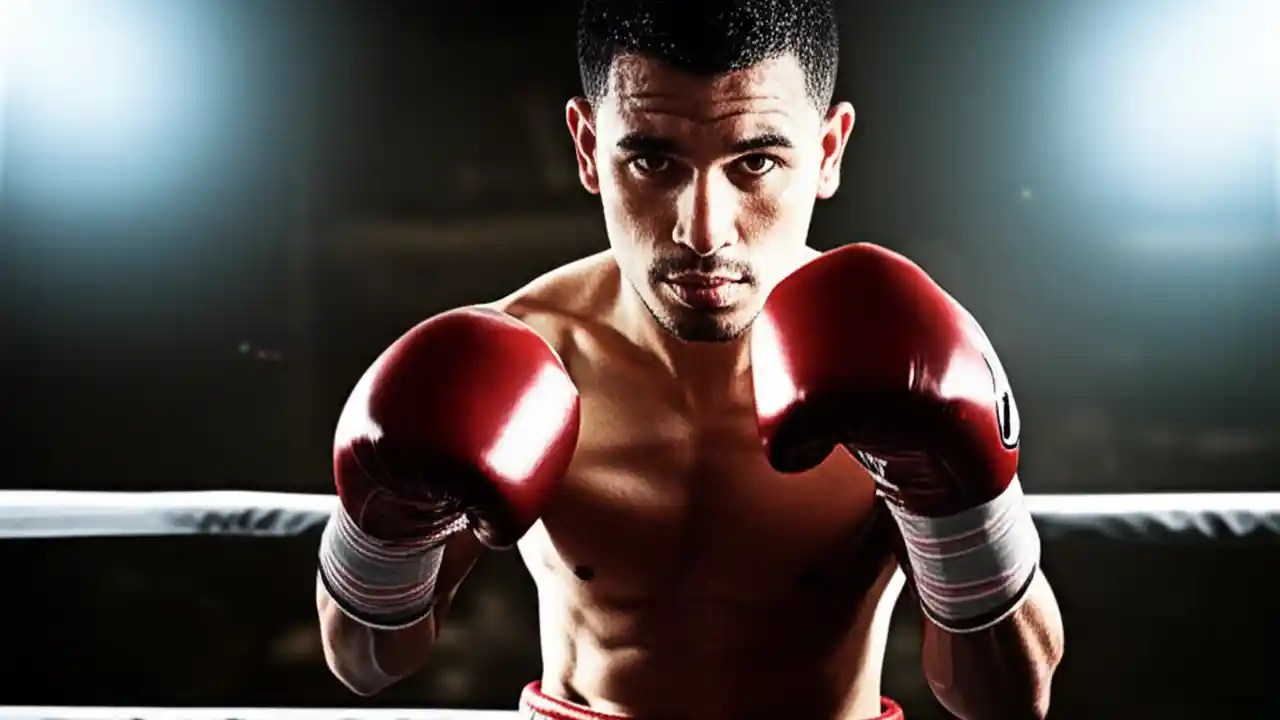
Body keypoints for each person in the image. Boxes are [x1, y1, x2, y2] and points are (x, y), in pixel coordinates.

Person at [314, 1, 1066, 717]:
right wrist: (391, 530)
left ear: (828, 153)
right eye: (652, 160)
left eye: (756, 162)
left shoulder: (903, 352)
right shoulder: (518, 360)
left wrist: (952, 501)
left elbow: (1007, 702)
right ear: (587, 149)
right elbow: (365, 662)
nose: (703, 231)